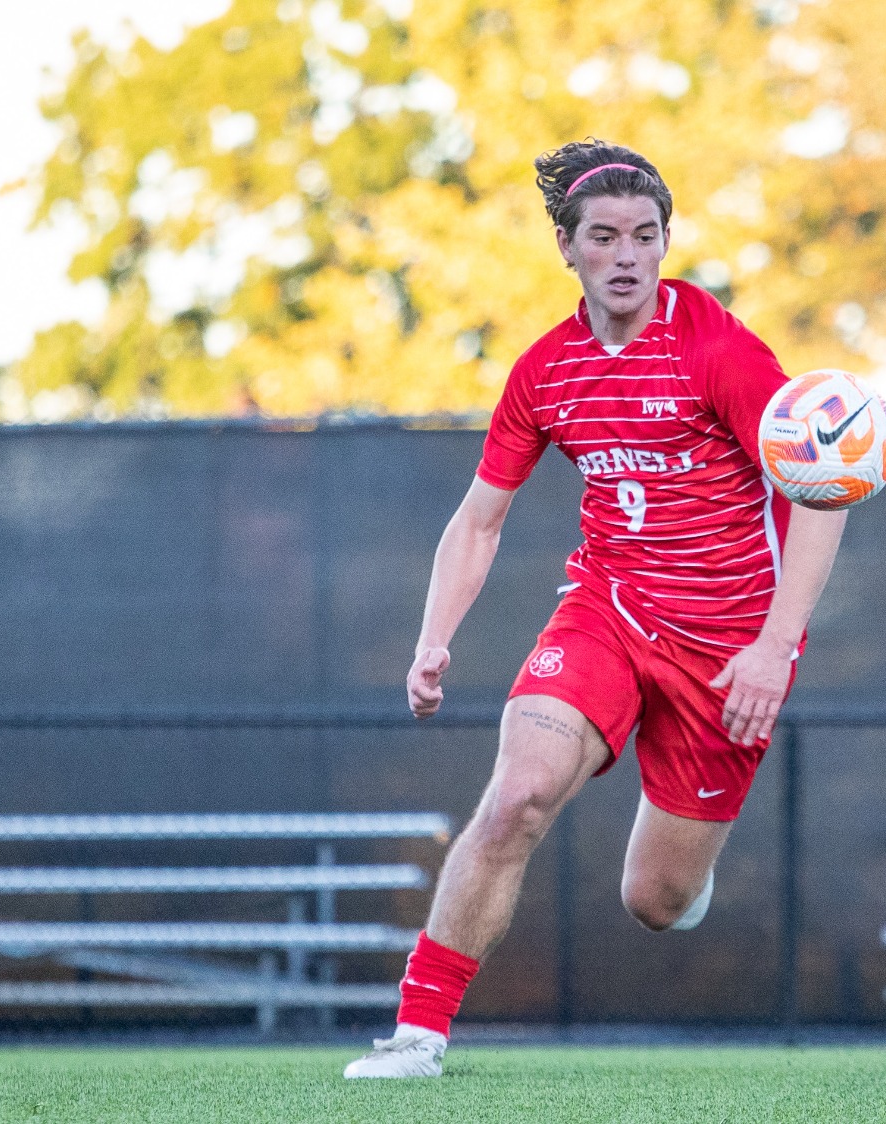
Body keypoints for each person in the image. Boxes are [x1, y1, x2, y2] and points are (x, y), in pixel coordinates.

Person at [344, 140, 849, 1079]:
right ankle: (417, 1034)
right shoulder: (545, 371)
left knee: (656, 901)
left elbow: (824, 491)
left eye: (646, 236)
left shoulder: (721, 351)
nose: (628, 254)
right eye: (606, 237)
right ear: (568, 250)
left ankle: (679, 879)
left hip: (730, 649)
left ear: (666, 245)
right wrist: (432, 640)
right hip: (606, 613)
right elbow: (479, 520)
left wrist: (778, 647)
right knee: (519, 795)